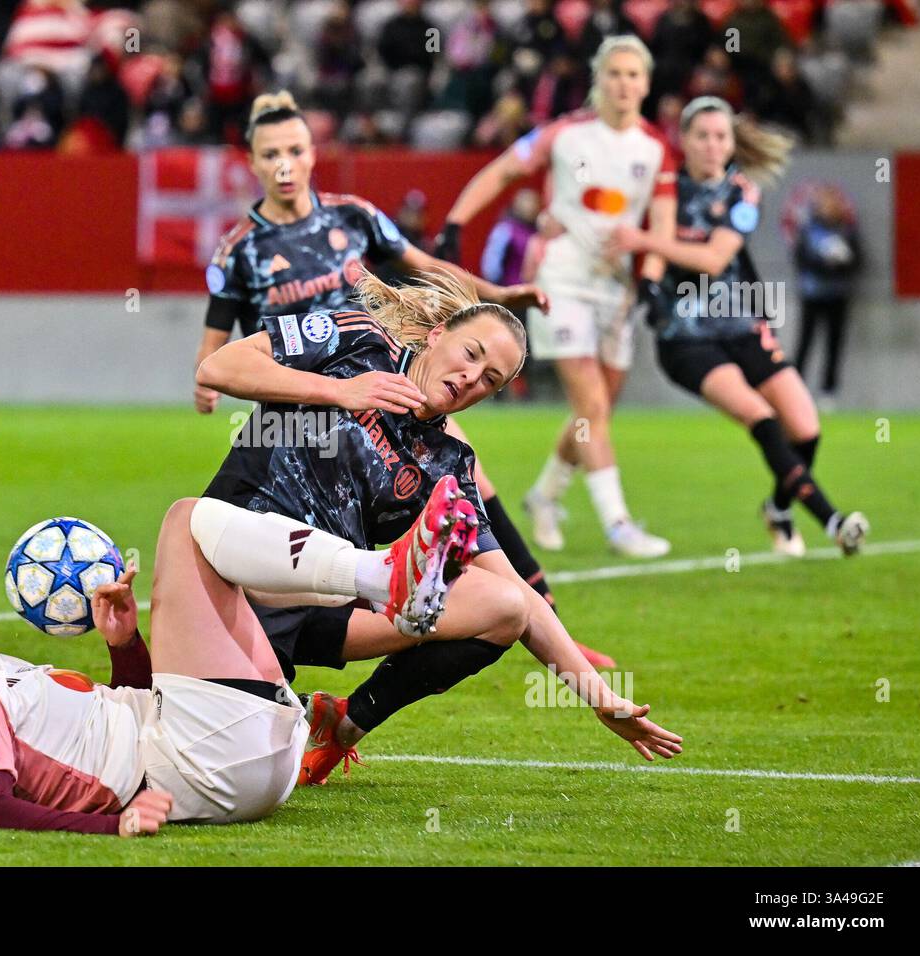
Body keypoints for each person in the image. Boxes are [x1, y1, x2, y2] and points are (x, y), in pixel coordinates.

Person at [0, 486, 492, 833]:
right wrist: (116, 825)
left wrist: (124, 648)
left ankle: (412, 591)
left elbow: (115, 725)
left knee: (223, 561)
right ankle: (385, 576)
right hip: (202, 763)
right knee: (186, 523)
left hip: (236, 752)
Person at [198, 269, 680, 783]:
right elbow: (219, 366)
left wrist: (601, 699)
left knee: (503, 607)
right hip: (237, 576)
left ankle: (342, 725)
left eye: (491, 379)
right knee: (232, 777)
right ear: (437, 334)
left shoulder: (448, 462)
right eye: (471, 354)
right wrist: (340, 392)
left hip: (320, 603)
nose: (473, 378)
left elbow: (518, 592)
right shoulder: (356, 337)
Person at [191, 89, 586, 650]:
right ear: (253, 164)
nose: (284, 164)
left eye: (296, 150)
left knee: (464, 481)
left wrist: (497, 296)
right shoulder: (241, 250)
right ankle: (290, 618)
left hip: (386, 372)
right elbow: (218, 345)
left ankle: (531, 604)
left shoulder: (354, 217)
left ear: (311, 155)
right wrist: (210, 383)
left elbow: (427, 269)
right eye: (270, 153)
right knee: (305, 495)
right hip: (306, 388)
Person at [435, 34, 678, 559]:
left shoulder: (656, 149)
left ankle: (544, 497)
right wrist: (456, 220)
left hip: (615, 289)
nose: (623, 83)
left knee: (597, 414)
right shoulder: (564, 134)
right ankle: (618, 525)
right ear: (598, 79)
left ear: (646, 83)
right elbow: (505, 167)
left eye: (634, 74)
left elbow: (661, 226)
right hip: (559, 282)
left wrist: (653, 278)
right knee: (589, 402)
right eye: (614, 73)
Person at [607, 96, 868, 557]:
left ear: (732, 143)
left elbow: (713, 258)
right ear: (683, 141)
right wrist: (647, 278)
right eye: (702, 136)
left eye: (721, 136)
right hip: (684, 336)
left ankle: (779, 508)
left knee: (805, 429)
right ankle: (834, 521)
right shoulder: (664, 188)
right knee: (761, 418)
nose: (712, 145)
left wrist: (648, 243)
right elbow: (654, 242)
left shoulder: (743, 193)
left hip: (741, 322)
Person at [792, 184, 862, 405]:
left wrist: (840, 263)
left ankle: (828, 392)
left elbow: (858, 261)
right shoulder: (808, 230)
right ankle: (794, 389)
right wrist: (823, 262)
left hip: (837, 293)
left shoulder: (846, 231)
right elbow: (800, 260)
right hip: (812, 293)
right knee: (805, 341)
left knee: (834, 343)